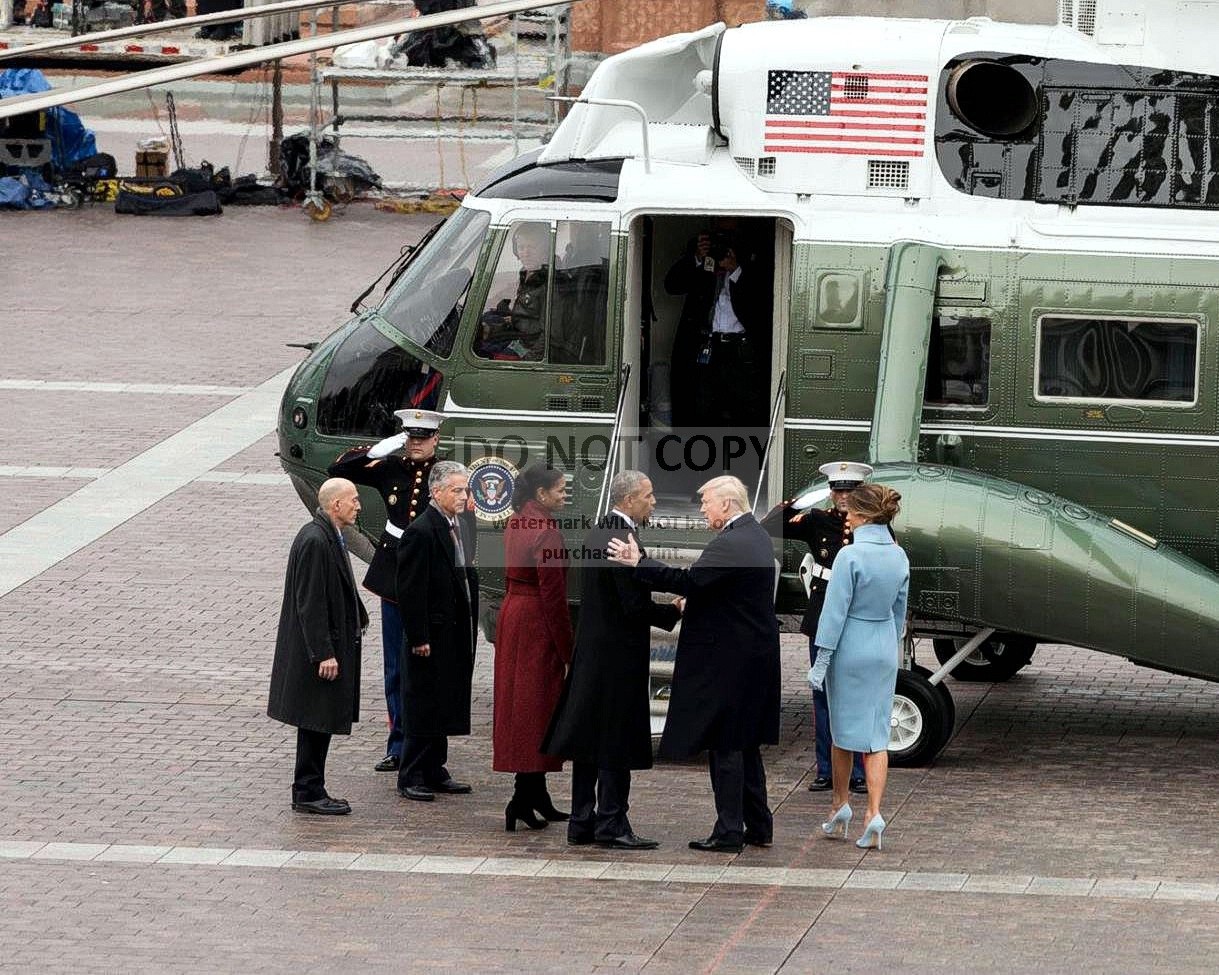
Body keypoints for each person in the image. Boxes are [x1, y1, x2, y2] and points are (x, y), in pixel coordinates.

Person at [608, 475, 780, 854]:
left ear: (727, 504)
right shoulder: (753, 535)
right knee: (745, 744)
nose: (702, 510)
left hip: (731, 661)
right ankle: (758, 824)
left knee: (727, 745)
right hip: (749, 657)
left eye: (706, 503)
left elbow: (690, 580)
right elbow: (722, 590)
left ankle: (730, 830)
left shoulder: (734, 541)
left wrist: (639, 562)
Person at [543, 470, 682, 850]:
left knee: (590, 739)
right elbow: (632, 605)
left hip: (595, 653)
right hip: (616, 658)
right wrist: (673, 610)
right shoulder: (619, 536)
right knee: (615, 741)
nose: (653, 503)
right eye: (649, 496)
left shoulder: (601, 529)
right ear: (629, 500)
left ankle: (582, 820)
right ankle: (612, 823)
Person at [327, 408, 446, 774]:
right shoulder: (392, 468)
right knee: (395, 666)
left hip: (428, 580)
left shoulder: (445, 476)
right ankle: (398, 744)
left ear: (436, 439)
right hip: (394, 576)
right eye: (410, 437)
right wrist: (384, 447)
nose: (415, 444)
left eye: (422, 438)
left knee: (429, 667)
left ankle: (426, 746)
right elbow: (340, 469)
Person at [761, 460, 873, 795]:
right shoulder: (817, 520)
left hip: (856, 614)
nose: (842, 496)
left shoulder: (872, 524)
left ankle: (856, 773)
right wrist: (797, 502)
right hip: (823, 611)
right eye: (837, 490)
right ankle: (826, 769)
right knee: (822, 694)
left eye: (849, 490)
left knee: (855, 696)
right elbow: (770, 526)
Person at [809, 483, 909, 851]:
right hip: (882, 643)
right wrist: (891, 645)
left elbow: (834, 615)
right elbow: (900, 611)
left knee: (842, 733)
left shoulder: (849, 556)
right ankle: (875, 813)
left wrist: (821, 660)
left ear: (865, 516)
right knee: (877, 735)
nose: (845, 515)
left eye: (851, 510)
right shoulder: (899, 555)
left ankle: (840, 805)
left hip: (852, 643)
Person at [267, 478, 369, 815]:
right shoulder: (314, 540)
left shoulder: (330, 534)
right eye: (352, 500)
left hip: (329, 646)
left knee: (319, 720)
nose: (358, 505)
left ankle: (314, 787)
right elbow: (309, 602)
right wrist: (323, 652)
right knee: (314, 721)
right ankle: (308, 791)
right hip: (319, 653)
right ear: (334, 505)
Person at [493, 464, 574, 831]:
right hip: (537, 622)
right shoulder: (546, 531)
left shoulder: (518, 521)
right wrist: (567, 649)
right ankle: (523, 798)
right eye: (559, 490)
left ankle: (533, 793)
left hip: (514, 614)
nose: (564, 495)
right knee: (536, 707)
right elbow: (554, 597)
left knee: (521, 707)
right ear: (541, 494)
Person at [395, 461, 479, 802]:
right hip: (431, 635)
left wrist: (471, 519)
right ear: (437, 492)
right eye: (457, 490)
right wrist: (419, 636)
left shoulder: (456, 523)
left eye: (465, 490)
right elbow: (411, 590)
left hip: (453, 633)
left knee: (443, 699)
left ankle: (435, 768)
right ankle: (411, 772)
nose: (463, 497)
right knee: (423, 702)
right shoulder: (421, 531)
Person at [663, 231, 765, 429]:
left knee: (741, 409)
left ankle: (740, 456)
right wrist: (696, 258)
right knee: (702, 407)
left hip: (739, 351)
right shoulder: (702, 268)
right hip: (706, 346)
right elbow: (672, 285)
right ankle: (703, 455)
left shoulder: (749, 271)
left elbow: (760, 302)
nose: (720, 255)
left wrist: (735, 269)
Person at [478, 222, 551, 360]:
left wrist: (528, 361)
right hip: (521, 332)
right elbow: (530, 315)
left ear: (545, 249)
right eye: (521, 247)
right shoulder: (527, 273)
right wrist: (510, 320)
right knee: (485, 319)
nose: (526, 253)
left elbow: (550, 333)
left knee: (480, 353)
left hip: (528, 346)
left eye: (532, 247)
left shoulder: (550, 281)